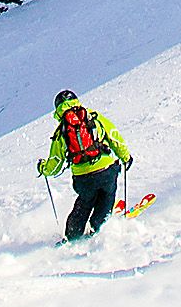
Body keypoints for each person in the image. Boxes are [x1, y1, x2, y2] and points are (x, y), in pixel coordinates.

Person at [35, 89, 132, 240]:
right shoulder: (93, 117)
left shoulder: (62, 130)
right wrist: (125, 157)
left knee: (85, 202)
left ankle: (72, 235)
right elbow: (114, 136)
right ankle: (99, 226)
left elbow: (55, 163)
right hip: (106, 170)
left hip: (82, 178)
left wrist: (43, 169)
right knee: (107, 196)